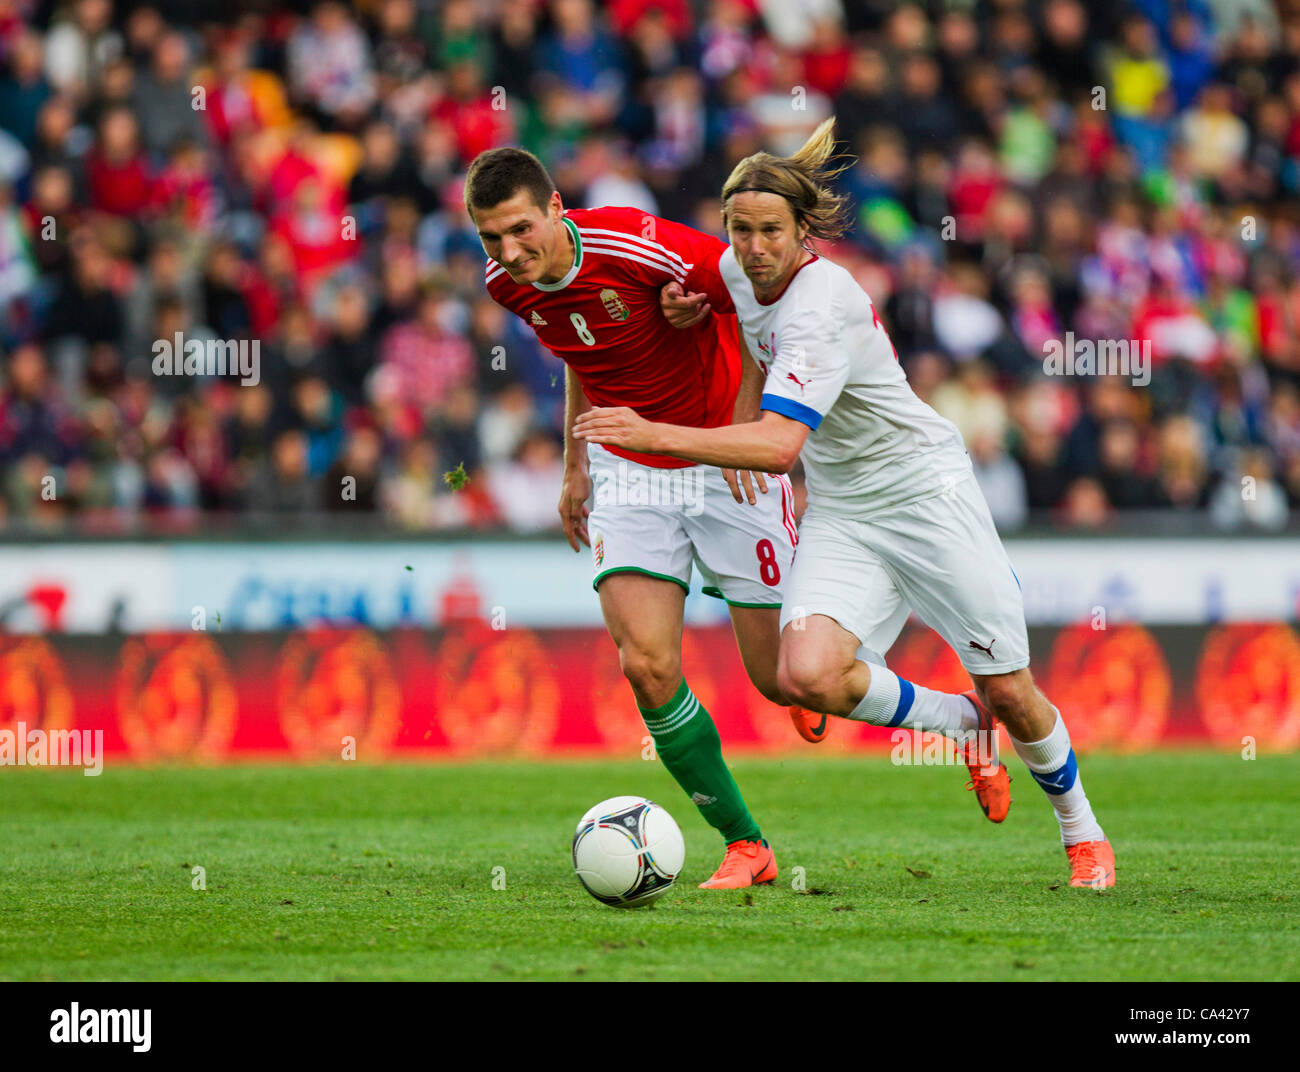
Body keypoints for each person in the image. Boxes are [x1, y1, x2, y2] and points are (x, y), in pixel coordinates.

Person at [573, 119, 1115, 889]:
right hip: (847, 510)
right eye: (740, 229)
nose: (753, 247)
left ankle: (1082, 833)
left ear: (804, 236)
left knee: (1010, 688)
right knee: (805, 676)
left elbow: (778, 449)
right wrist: (690, 314)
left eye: (770, 232)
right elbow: (728, 313)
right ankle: (964, 729)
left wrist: (649, 433)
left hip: (925, 494)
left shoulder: (822, 304)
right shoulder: (734, 273)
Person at [466, 145, 827, 890]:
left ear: (558, 207)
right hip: (630, 471)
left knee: (784, 679)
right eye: (490, 238)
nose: (508, 251)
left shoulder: (635, 241)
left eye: (521, 229)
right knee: (646, 662)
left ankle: (954, 724)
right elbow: (581, 350)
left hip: (723, 459)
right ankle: (746, 845)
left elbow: (760, 294)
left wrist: (744, 422)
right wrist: (575, 462)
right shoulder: (509, 284)